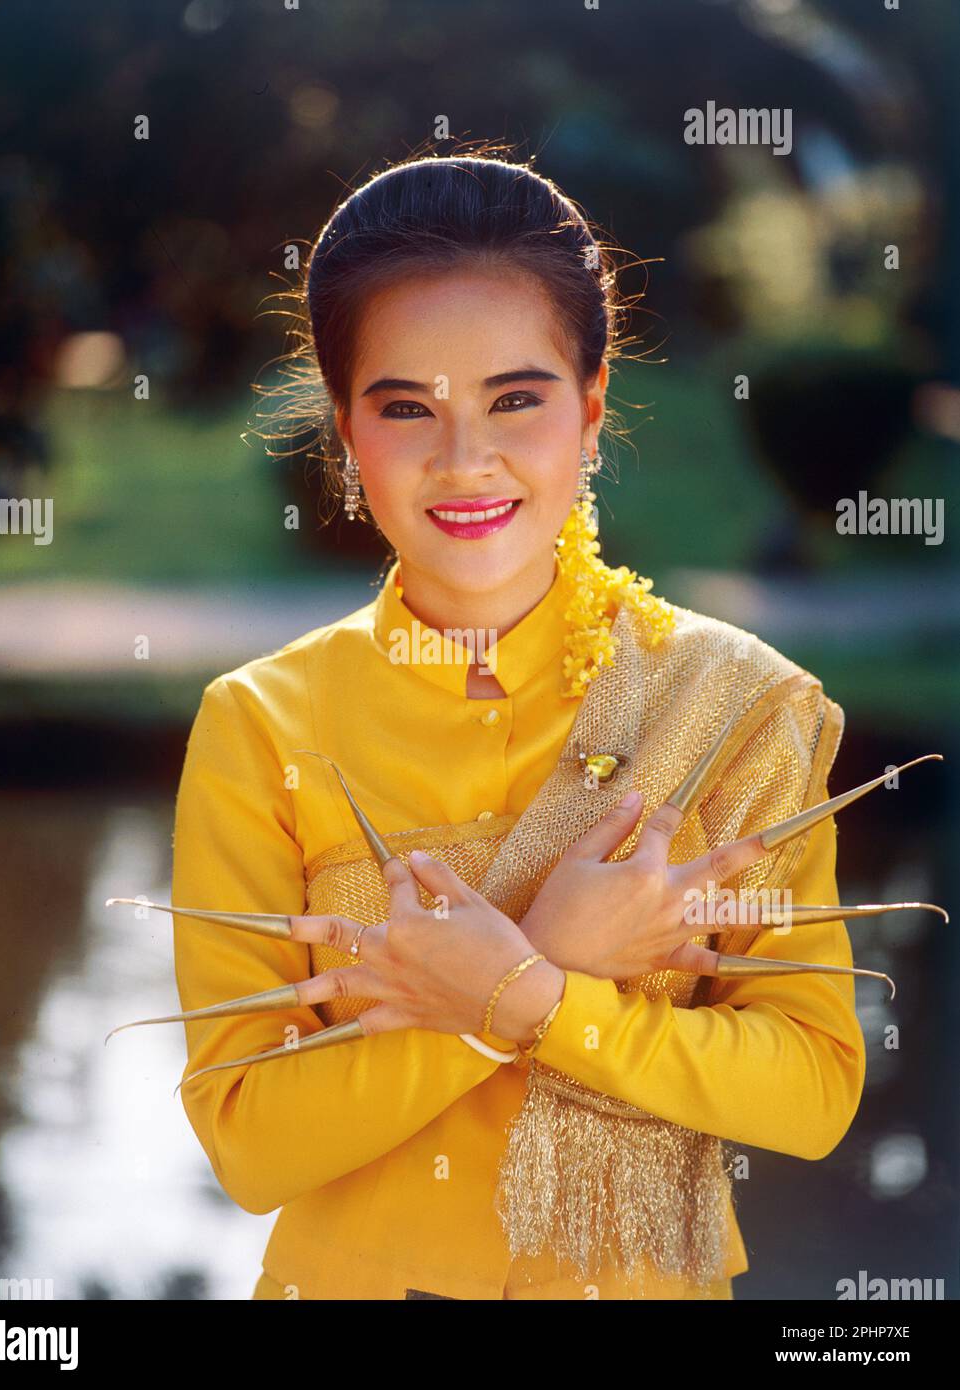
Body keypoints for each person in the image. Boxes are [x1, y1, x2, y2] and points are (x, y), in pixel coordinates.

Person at [168, 150, 868, 1300]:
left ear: (590, 410)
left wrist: (533, 994)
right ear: (345, 433)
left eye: (515, 397)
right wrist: (519, 989)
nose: (464, 458)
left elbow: (809, 1090)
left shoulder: (738, 706)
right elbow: (247, 1138)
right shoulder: (263, 724)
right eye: (406, 408)